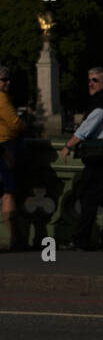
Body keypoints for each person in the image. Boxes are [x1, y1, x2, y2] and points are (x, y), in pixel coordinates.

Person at [58, 66, 103, 250]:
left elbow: (85, 129)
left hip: (100, 157)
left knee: (88, 200)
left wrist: (67, 146)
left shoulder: (102, 104)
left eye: (95, 80)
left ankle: (81, 240)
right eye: (89, 79)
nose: (90, 83)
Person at [0, 65, 26, 251]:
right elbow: (14, 123)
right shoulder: (1, 98)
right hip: (4, 147)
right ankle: (14, 238)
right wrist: (24, 126)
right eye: (3, 80)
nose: (7, 82)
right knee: (8, 191)